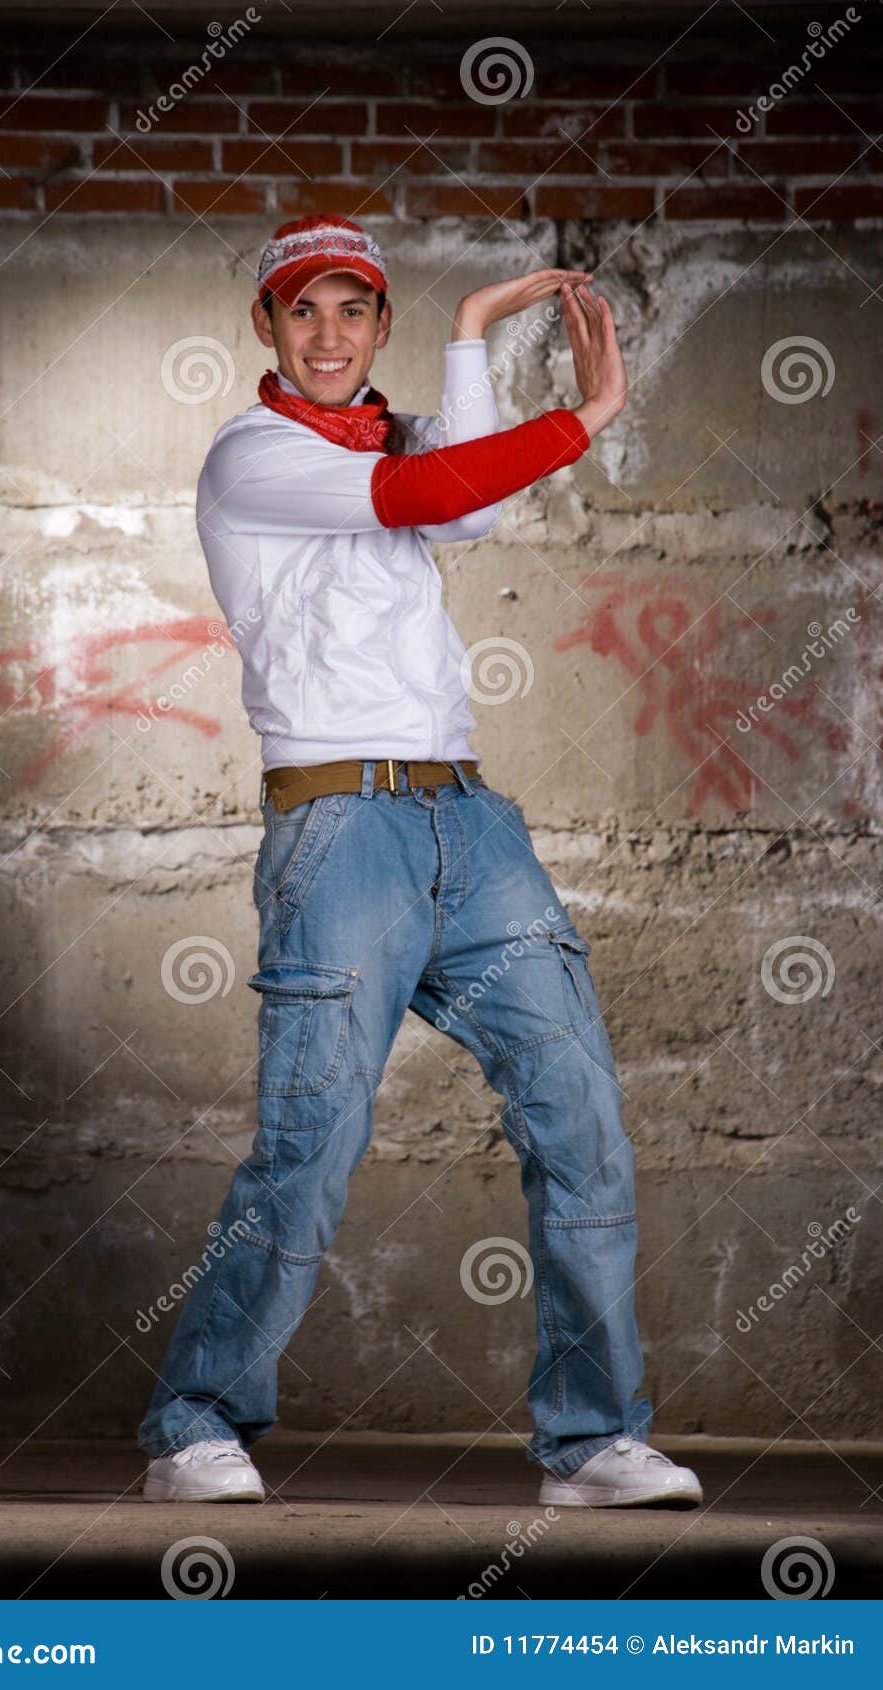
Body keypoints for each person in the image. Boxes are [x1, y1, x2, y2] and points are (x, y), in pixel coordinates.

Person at [136, 215, 703, 1511]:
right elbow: (428, 495)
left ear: (376, 326)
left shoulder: (387, 442)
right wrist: (595, 407)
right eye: (303, 312)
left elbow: (466, 505)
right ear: (267, 330)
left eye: (355, 311)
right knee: (313, 1137)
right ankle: (195, 1420)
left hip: (470, 824)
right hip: (341, 833)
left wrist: (465, 340)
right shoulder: (256, 456)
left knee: (583, 1119)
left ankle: (593, 1438)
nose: (328, 335)